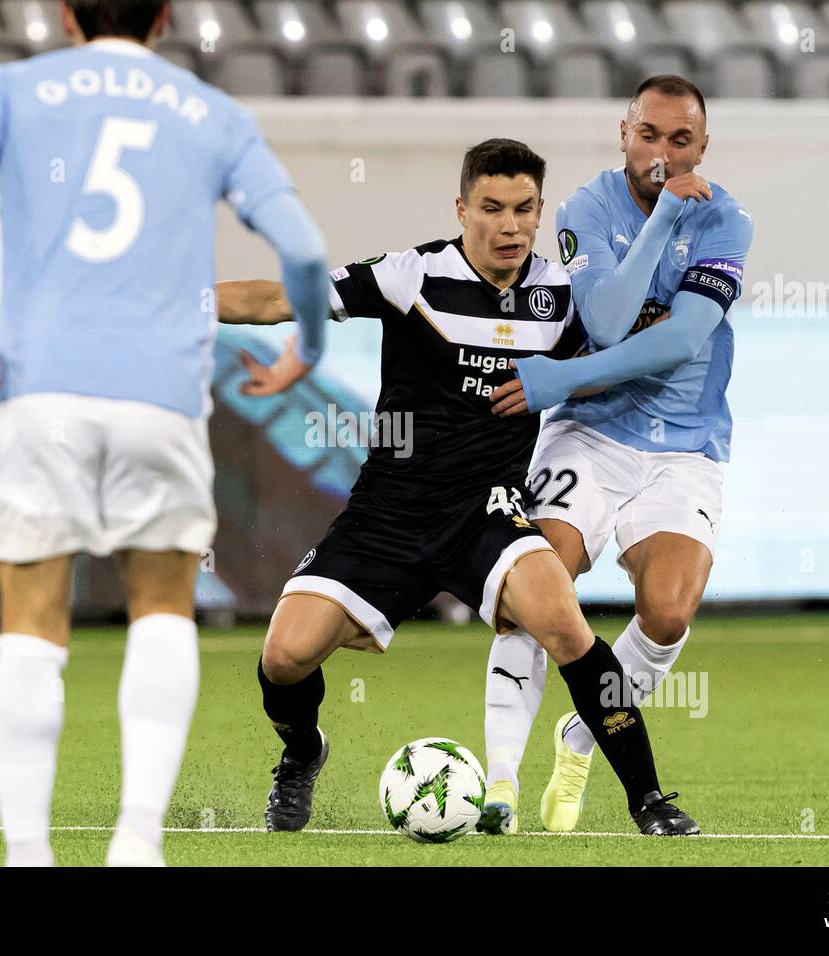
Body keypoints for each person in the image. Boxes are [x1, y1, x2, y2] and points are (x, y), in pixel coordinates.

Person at [0, 0, 330, 866]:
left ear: (66, 15)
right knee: (161, 611)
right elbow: (301, 246)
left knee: (30, 626)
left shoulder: (7, 87)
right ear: (167, 16)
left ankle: (28, 854)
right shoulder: (215, 114)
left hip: (37, 390)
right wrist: (311, 345)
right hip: (161, 396)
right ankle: (136, 842)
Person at [217, 138, 699, 838]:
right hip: (388, 514)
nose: (510, 226)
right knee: (284, 657)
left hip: (489, 513)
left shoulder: (562, 298)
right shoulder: (411, 276)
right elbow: (275, 299)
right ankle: (302, 752)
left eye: (525, 209)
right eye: (492, 209)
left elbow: (630, 343)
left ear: (540, 211)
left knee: (564, 623)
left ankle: (649, 800)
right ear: (462, 208)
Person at [481, 75, 753, 834]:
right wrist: (665, 217)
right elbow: (605, 320)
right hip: (591, 436)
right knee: (536, 587)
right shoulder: (585, 209)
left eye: (681, 140)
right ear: (623, 131)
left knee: (667, 612)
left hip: (683, 447)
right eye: (649, 135)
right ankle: (499, 784)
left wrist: (558, 378)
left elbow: (681, 338)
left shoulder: (728, 219)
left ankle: (586, 732)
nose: (663, 154)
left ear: (703, 145)